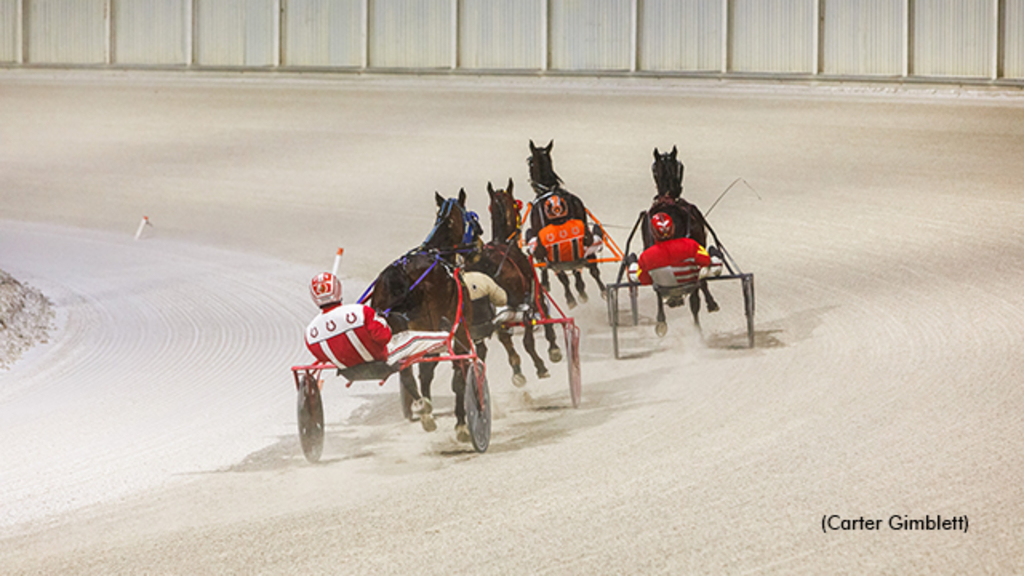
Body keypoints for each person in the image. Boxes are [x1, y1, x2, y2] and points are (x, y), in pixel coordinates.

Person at [629, 212, 722, 287]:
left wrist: (633, 263)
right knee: (714, 262)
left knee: (634, 271)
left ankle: (632, 263)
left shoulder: (646, 256)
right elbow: (705, 261)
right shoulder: (690, 245)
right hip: (689, 284)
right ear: (673, 229)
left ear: (653, 233)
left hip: (663, 287)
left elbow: (644, 280)